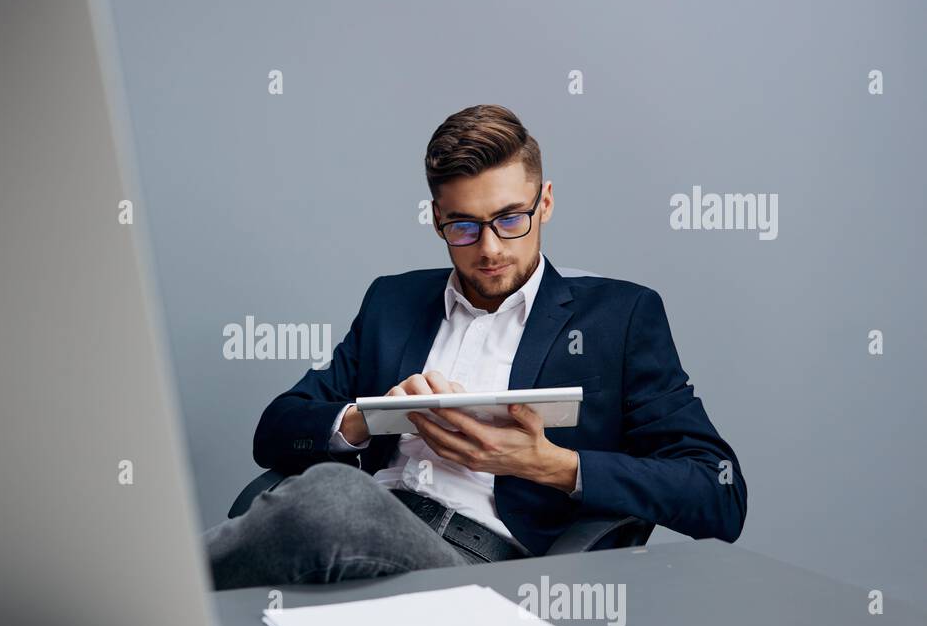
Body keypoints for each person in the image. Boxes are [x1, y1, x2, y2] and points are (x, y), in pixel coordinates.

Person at [206, 104, 746, 590]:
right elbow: (275, 429)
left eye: (511, 219)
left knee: (332, 497)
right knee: (326, 506)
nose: (489, 249)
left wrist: (547, 463)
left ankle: (153, 597)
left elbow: (717, 493)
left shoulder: (621, 318)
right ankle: (162, 611)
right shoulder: (392, 302)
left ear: (546, 202)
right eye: (463, 226)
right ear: (436, 218)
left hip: (485, 569)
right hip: (358, 538)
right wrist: (369, 419)